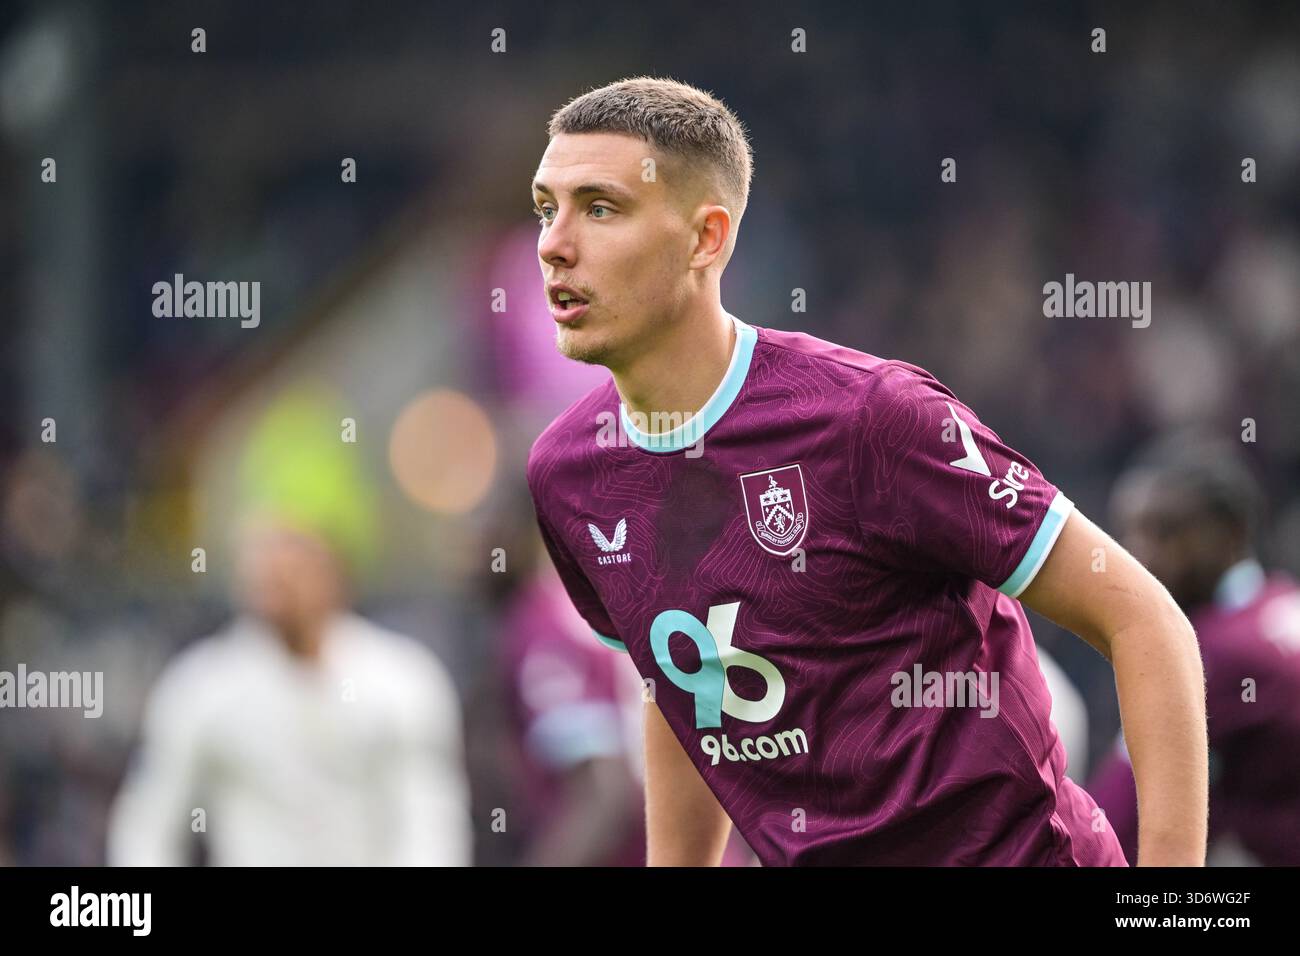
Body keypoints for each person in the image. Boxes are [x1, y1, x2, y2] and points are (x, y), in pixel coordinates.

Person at [525, 76, 1206, 865]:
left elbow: (1145, 621)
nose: (553, 243)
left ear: (706, 239)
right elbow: (683, 689)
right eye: (547, 208)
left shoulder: (871, 418)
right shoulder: (569, 475)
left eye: (600, 208)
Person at [1088, 433, 1300, 865]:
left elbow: (1113, 820)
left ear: (1231, 532)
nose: (1141, 555)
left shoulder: (1213, 655)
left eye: (1165, 533)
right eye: (1131, 534)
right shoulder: (1283, 602)